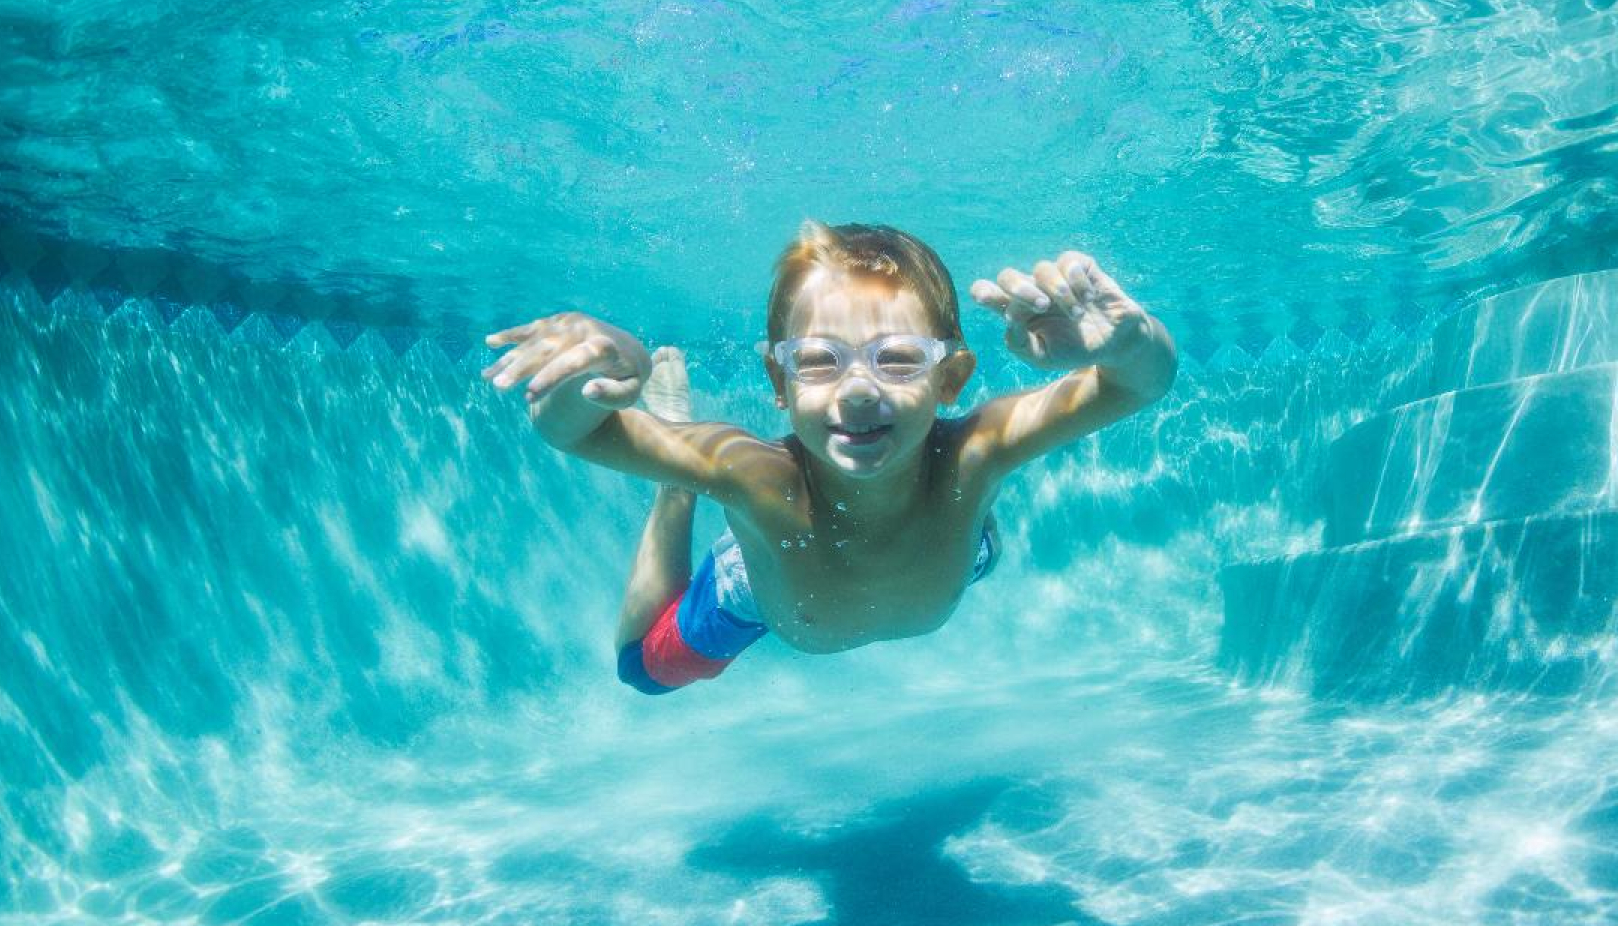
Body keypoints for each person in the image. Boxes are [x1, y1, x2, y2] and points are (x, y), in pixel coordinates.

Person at [483, 221, 1177, 694]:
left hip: (952, 545)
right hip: (767, 585)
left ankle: (972, 527)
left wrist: (1126, 340)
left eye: (897, 359)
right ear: (779, 385)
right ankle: (675, 489)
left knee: (974, 513)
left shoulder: (977, 453)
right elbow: (576, 433)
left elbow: (1139, 382)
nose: (857, 393)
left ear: (951, 379)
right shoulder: (754, 477)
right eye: (818, 362)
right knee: (641, 670)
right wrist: (587, 384)